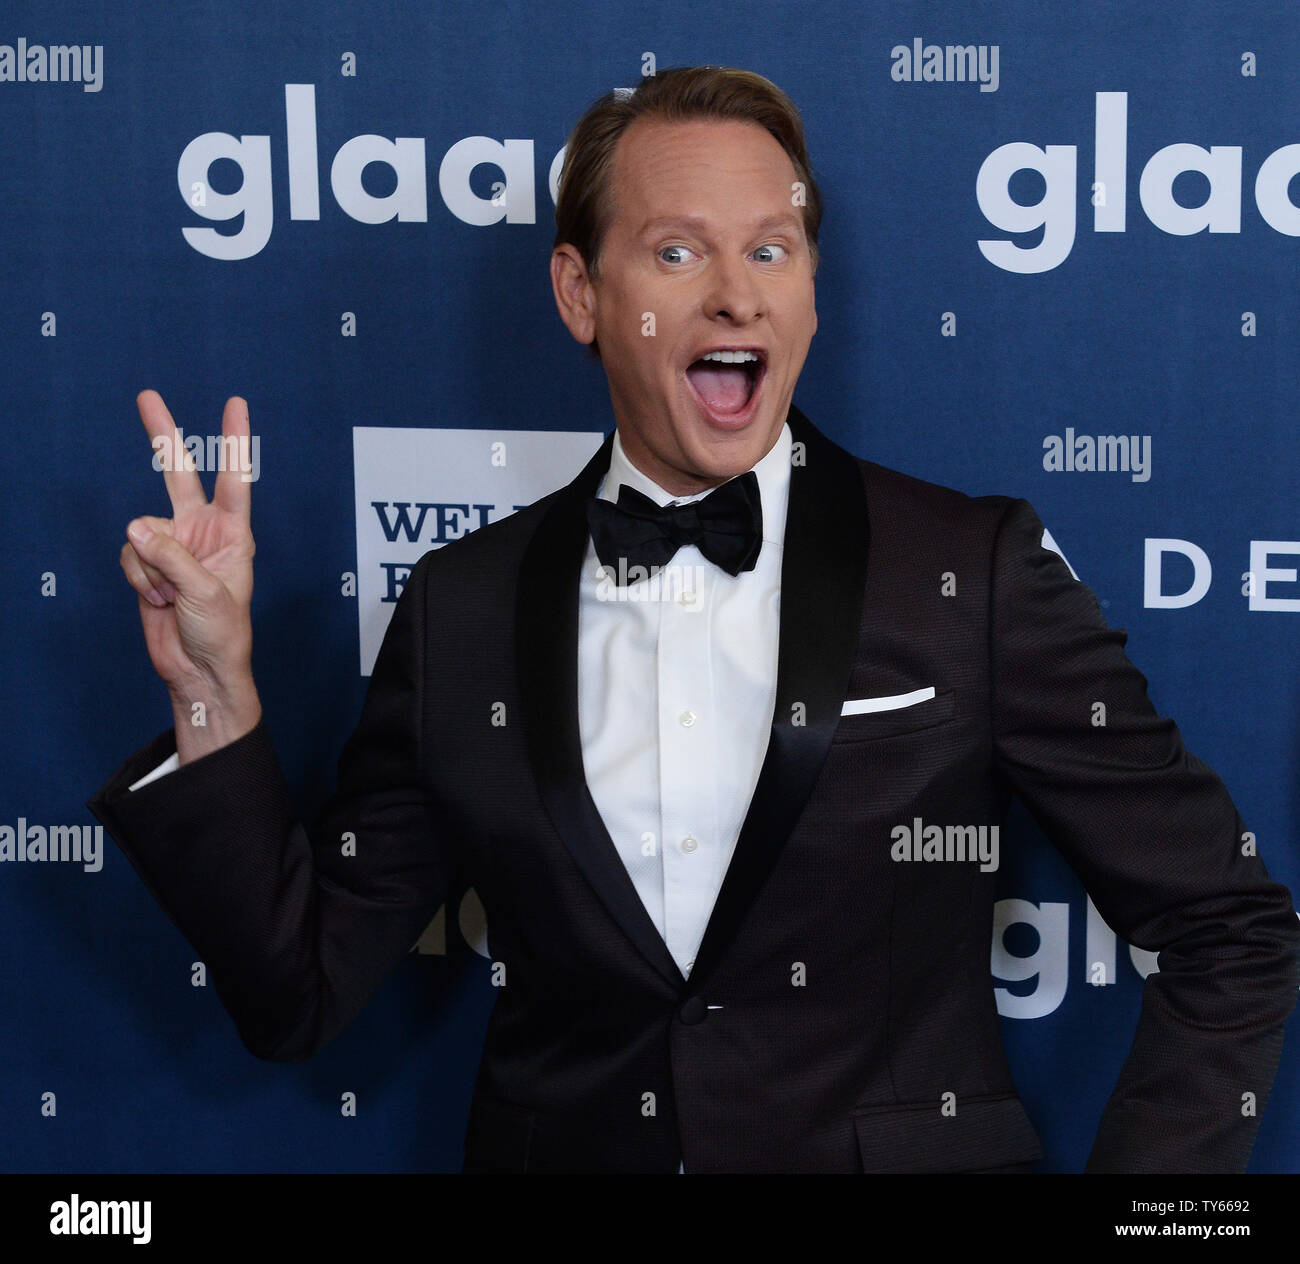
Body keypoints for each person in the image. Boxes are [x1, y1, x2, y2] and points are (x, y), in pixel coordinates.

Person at [89, 66, 1300, 1174]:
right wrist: (214, 692)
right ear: (580, 293)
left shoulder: (967, 571)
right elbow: (295, 989)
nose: (734, 296)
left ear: (812, 290)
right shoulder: (462, 608)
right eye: (677, 254)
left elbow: (1229, 926)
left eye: (772, 250)